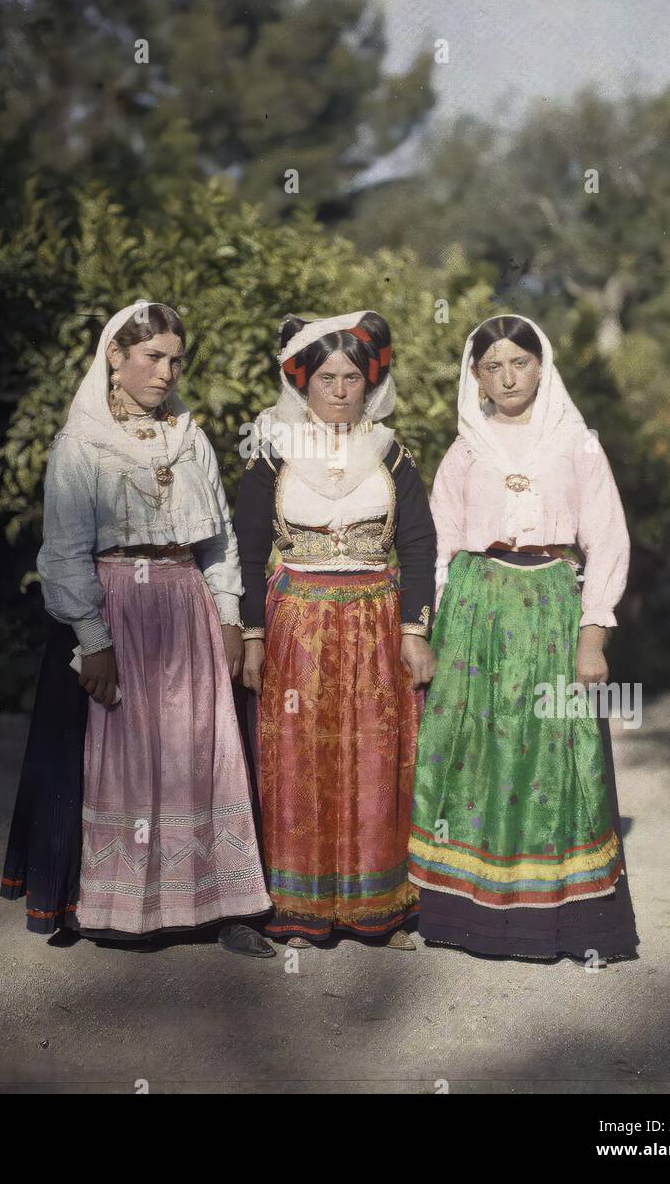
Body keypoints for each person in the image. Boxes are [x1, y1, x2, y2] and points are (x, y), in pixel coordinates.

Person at [0, 300, 273, 956]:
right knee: (118, 753)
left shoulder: (190, 435)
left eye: (175, 359)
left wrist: (230, 614)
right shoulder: (83, 439)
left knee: (201, 752)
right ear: (115, 359)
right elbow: (63, 549)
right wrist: (91, 638)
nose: (165, 372)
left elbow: (220, 537)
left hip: (186, 606)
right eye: (152, 356)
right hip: (116, 604)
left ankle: (223, 905)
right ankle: (113, 902)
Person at [408, 313, 638, 962]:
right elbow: (441, 545)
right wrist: (429, 629)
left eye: (520, 362)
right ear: (475, 376)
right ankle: (467, 911)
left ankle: (556, 919)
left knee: (554, 755)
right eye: (493, 366)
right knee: (476, 751)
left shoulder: (578, 444)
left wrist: (592, 636)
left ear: (543, 366)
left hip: (550, 607)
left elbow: (608, 538)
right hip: (477, 610)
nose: (508, 377)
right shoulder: (466, 449)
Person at [235, 310, 436, 949]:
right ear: (302, 382)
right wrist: (251, 635)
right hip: (297, 620)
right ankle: (300, 911)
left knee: (375, 755)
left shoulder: (391, 452)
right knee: (299, 756)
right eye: (327, 377)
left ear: (369, 381)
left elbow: (419, 543)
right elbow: (244, 547)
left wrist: (414, 629)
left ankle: (378, 909)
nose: (342, 390)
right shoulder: (269, 451)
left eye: (353, 376)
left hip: (377, 619)